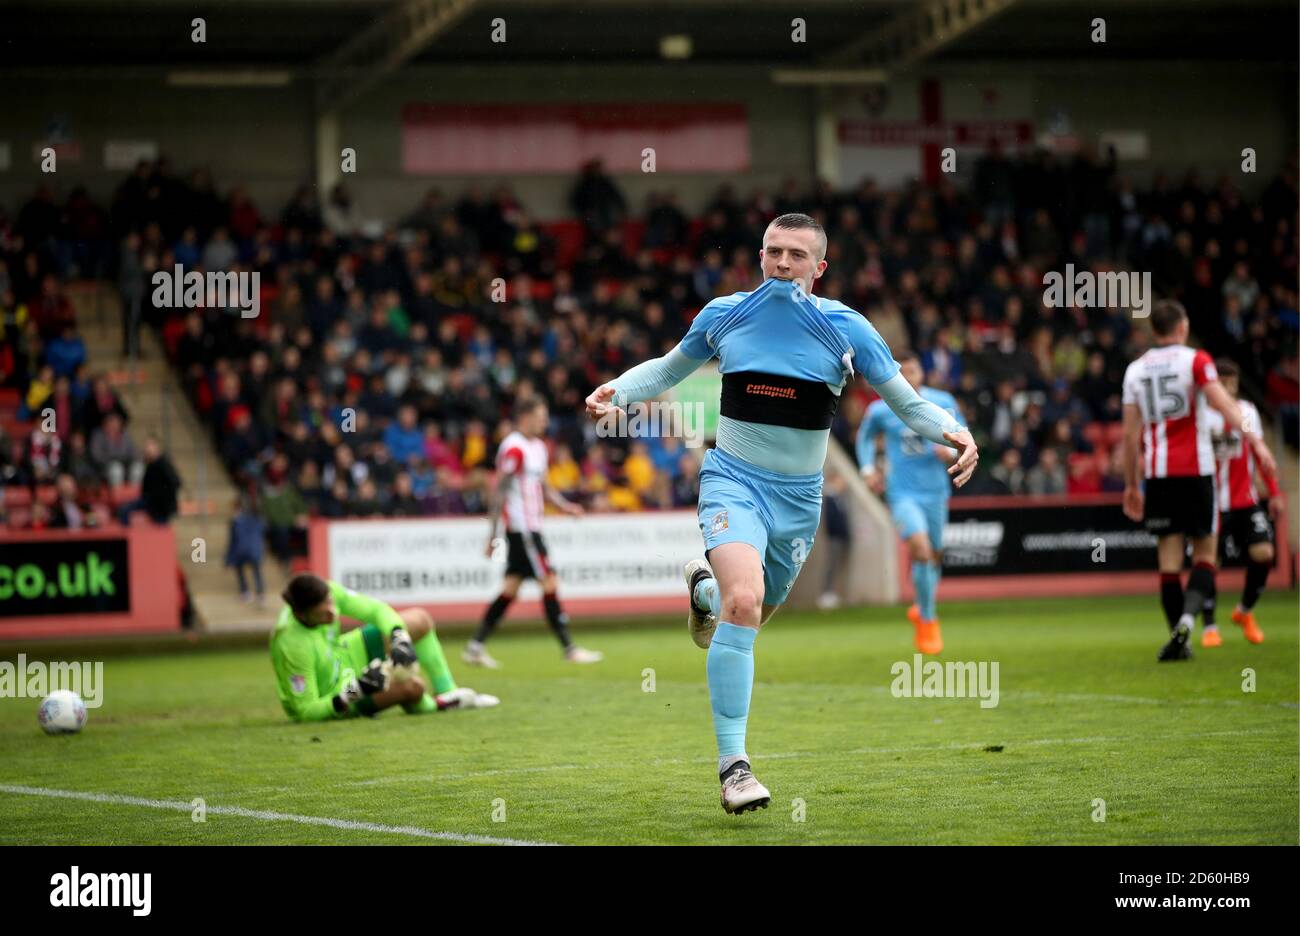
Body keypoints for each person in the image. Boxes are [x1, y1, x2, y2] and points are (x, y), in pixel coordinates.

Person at [585, 213, 978, 814]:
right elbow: (667, 370)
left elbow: (905, 401)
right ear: (760, 256)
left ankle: (703, 596)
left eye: (797, 255)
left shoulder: (847, 329)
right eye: (773, 252)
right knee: (745, 604)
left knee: (747, 614)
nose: (783, 263)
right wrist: (618, 388)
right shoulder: (725, 314)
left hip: (798, 501)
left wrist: (956, 432)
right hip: (733, 480)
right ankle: (734, 767)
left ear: (819, 268)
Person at [1120, 300, 1276, 662]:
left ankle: (1180, 637)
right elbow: (1229, 408)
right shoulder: (1196, 361)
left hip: (1158, 476)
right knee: (1206, 555)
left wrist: (1131, 484)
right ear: (1183, 327)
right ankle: (1189, 621)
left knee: (1169, 563)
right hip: (1196, 473)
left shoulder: (1135, 371)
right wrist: (1257, 442)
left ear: (1154, 331)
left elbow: (1130, 437)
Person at [464, 396, 603, 668]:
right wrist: (492, 536)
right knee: (549, 582)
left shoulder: (538, 447)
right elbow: (499, 492)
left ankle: (475, 646)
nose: (545, 421)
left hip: (531, 528)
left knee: (511, 589)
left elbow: (544, 485)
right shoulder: (513, 449)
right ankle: (569, 648)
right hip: (523, 530)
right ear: (525, 417)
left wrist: (565, 506)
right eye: (541, 416)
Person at [270, 573, 497, 722]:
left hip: (348, 652)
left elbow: (377, 610)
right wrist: (356, 690)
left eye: (332, 603)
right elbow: (305, 712)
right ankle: (438, 706)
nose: (334, 612)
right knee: (413, 687)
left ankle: (447, 690)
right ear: (301, 614)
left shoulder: (327, 592)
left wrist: (398, 637)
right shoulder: (292, 645)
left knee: (419, 619)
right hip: (341, 694)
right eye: (324, 611)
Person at [857, 350, 964, 654]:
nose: (907, 378)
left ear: (923, 374)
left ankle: (922, 605)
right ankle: (929, 621)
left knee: (933, 555)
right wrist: (867, 469)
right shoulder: (881, 410)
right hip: (902, 494)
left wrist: (953, 452)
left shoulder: (944, 403)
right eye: (901, 373)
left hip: (935, 492)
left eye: (913, 371)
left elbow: (963, 437)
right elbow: (864, 438)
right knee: (920, 548)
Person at [1200, 358, 1282, 647]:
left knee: (1263, 553)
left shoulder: (1246, 412)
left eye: (1232, 384)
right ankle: (1209, 626)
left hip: (1244, 499)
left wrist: (1274, 493)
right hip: (1211, 503)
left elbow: (1260, 453)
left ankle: (1244, 612)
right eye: (1222, 384)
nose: (1229, 389)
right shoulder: (1201, 415)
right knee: (1209, 562)